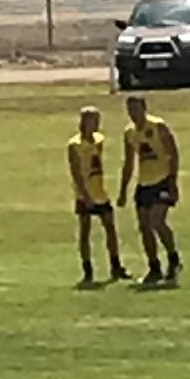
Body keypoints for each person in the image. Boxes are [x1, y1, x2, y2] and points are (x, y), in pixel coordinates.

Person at [118, 93, 183, 285]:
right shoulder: (129, 133)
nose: (133, 113)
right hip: (144, 183)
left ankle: (173, 259)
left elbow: (173, 153)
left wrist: (173, 181)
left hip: (162, 179)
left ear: (144, 108)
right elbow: (129, 163)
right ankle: (154, 267)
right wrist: (123, 190)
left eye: (136, 109)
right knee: (144, 226)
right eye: (130, 110)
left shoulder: (157, 126)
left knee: (157, 221)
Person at [66, 105, 132, 287]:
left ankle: (116, 265)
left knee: (110, 228)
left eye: (96, 120)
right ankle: (87, 270)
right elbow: (76, 172)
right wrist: (84, 194)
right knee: (85, 231)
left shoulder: (99, 140)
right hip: (85, 194)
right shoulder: (75, 145)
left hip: (100, 192)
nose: (95, 124)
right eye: (91, 120)